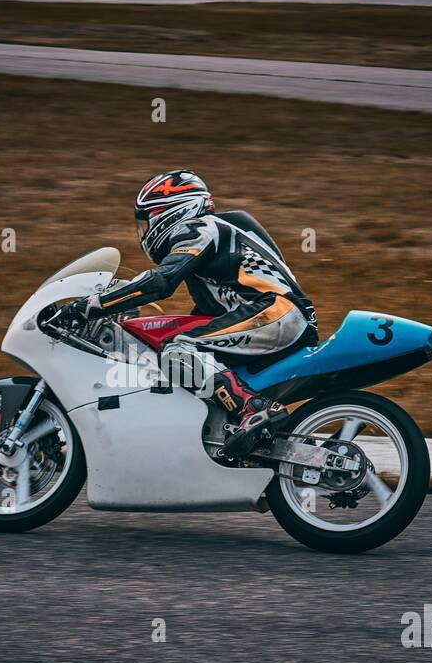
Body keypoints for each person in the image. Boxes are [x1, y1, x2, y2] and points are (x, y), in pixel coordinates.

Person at [63, 169, 317, 457]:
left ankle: (254, 410)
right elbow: (209, 314)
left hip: (275, 312)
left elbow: (160, 282)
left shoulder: (200, 229)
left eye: (148, 219)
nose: (145, 231)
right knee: (177, 345)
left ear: (170, 211)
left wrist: (89, 306)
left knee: (180, 349)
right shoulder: (215, 239)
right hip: (271, 313)